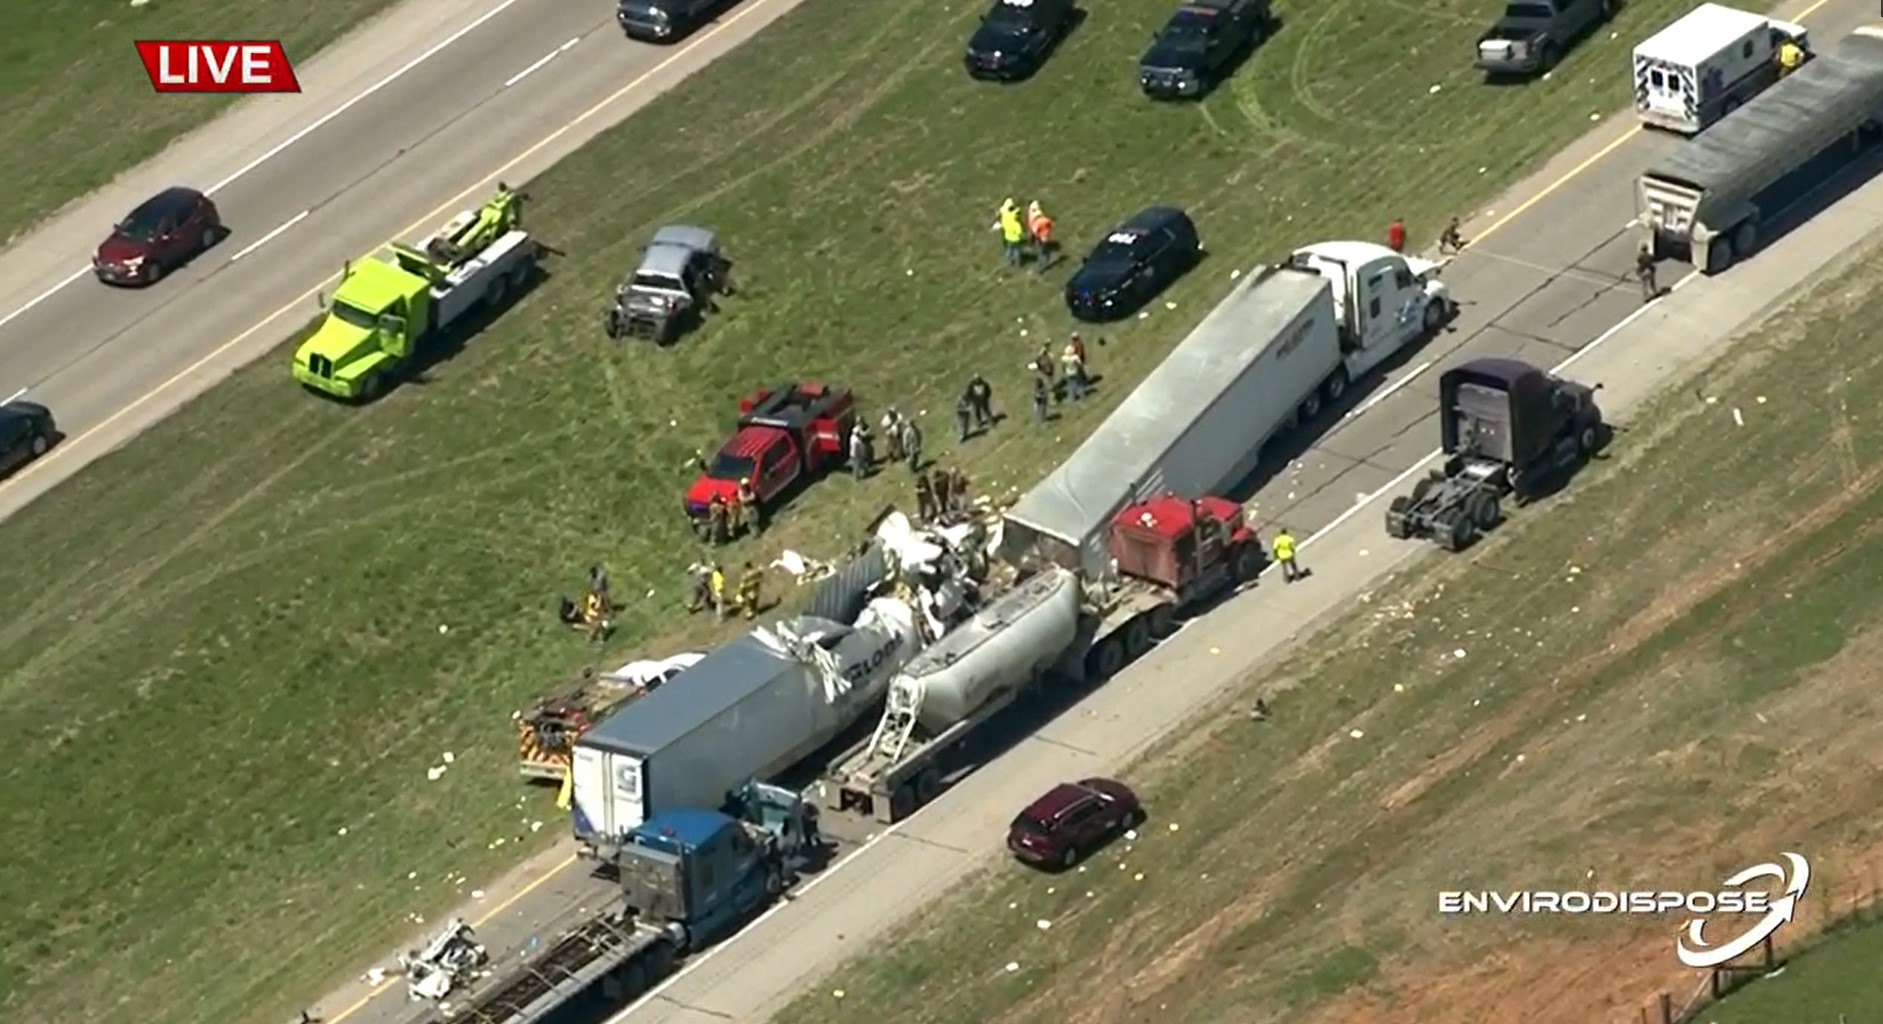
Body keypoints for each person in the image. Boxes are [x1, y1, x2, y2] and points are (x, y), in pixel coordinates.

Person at [993, 198, 1026, 267]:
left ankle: (1009, 260)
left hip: (1008, 236)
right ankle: (1018, 263)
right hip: (1016, 239)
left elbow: (999, 213)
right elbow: (1020, 231)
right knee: (1017, 251)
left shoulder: (1005, 216)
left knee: (1009, 249)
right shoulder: (1016, 224)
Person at [1027, 200, 1055, 272]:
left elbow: (1035, 231)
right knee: (1046, 251)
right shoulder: (1046, 220)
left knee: (1040, 252)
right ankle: (1046, 262)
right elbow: (1051, 225)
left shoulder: (1037, 223)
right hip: (1046, 237)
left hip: (1040, 238)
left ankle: (1041, 266)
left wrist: (1037, 237)